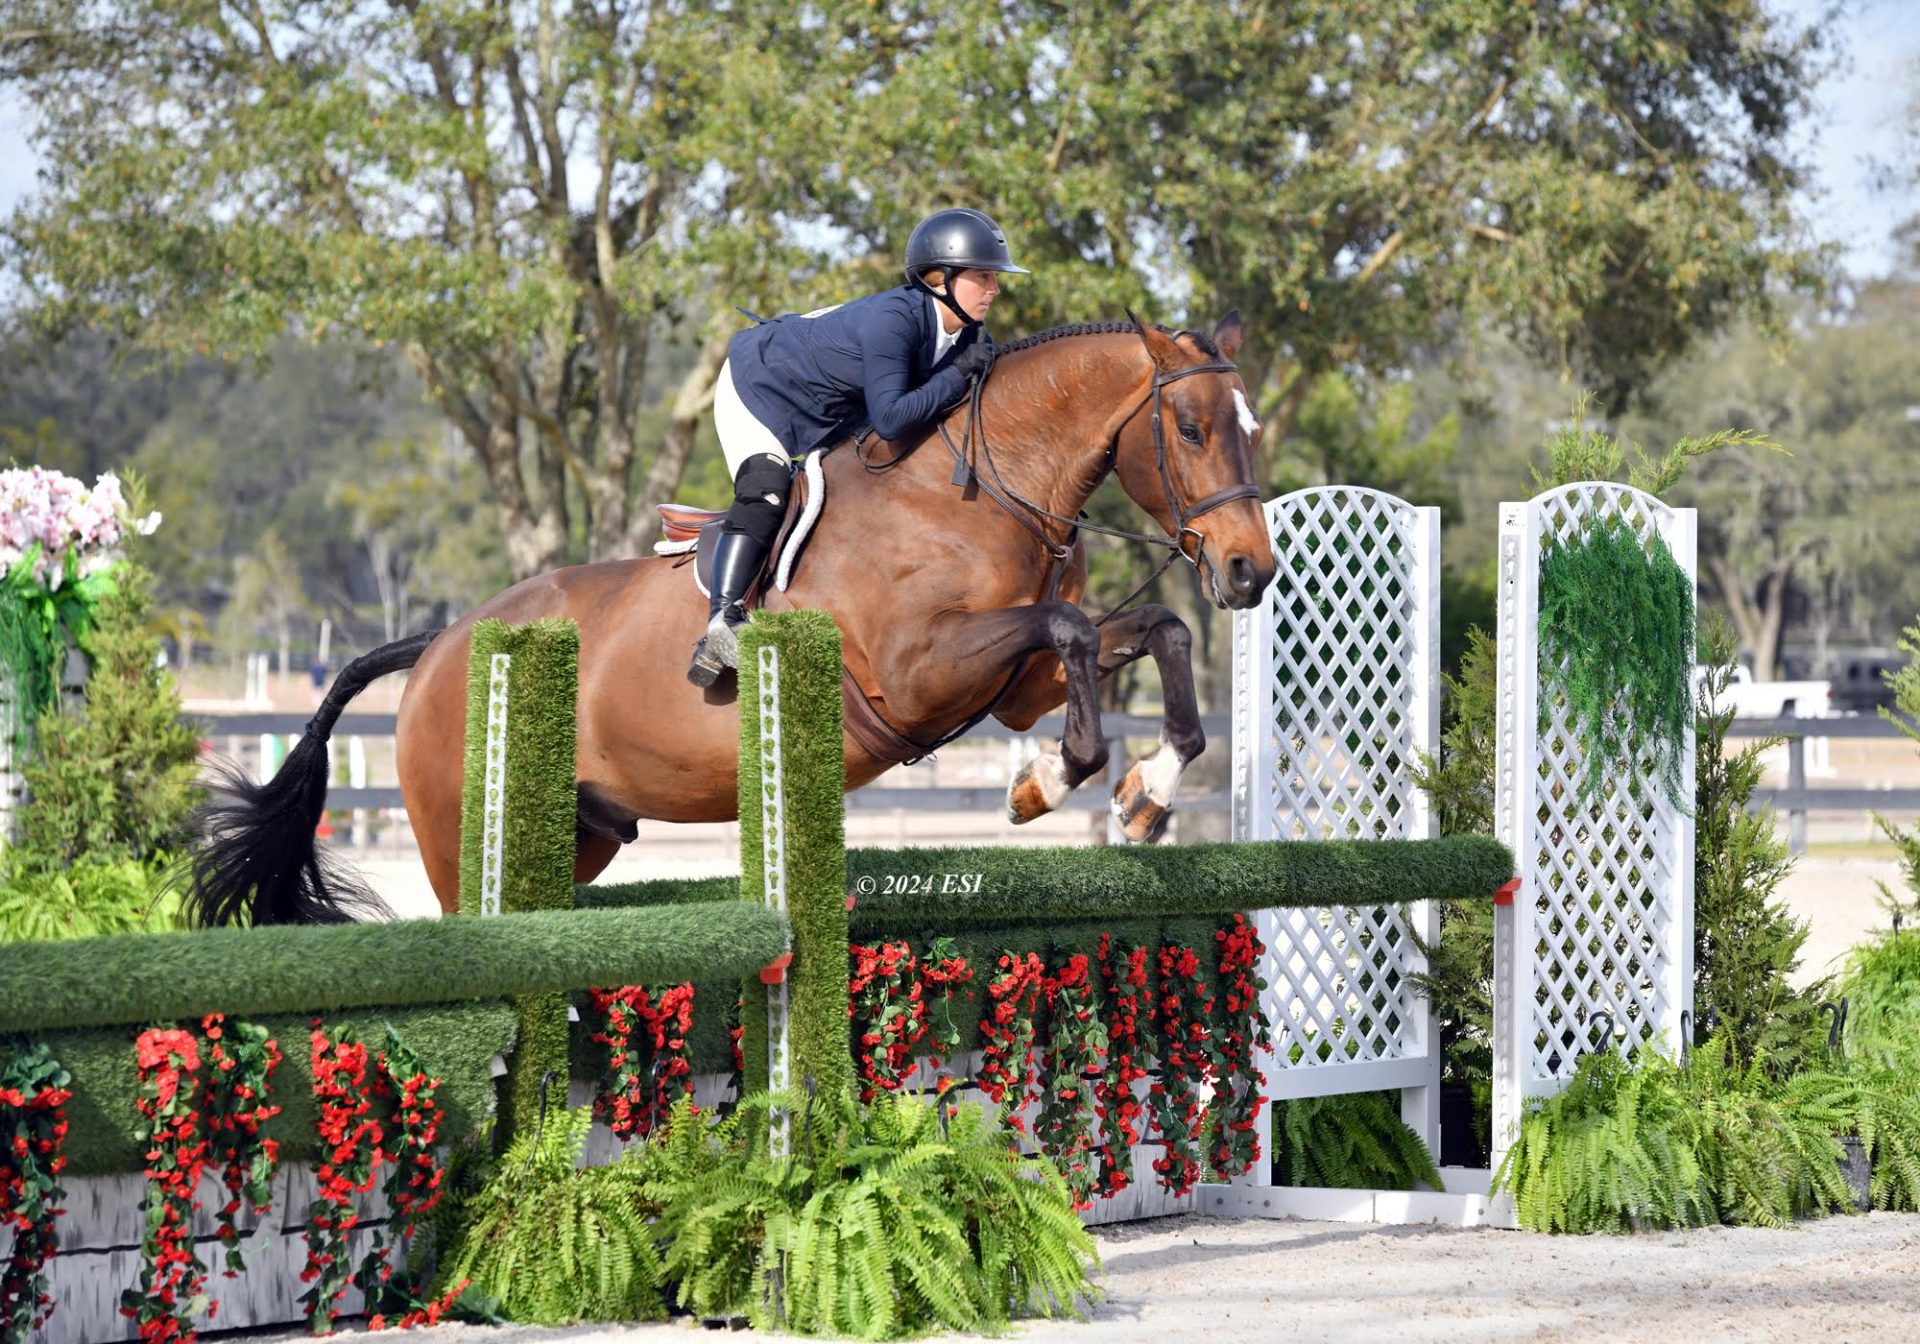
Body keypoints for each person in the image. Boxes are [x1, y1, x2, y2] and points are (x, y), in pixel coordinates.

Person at [686, 207, 1027, 687]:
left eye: (994, 278)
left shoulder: (966, 332)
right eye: (983, 277)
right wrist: (957, 375)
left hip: (834, 410)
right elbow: (891, 419)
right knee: (767, 489)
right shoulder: (894, 321)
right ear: (940, 278)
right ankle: (722, 621)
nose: (995, 289)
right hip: (760, 389)